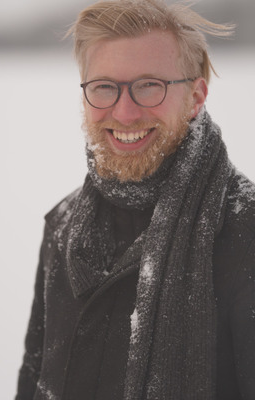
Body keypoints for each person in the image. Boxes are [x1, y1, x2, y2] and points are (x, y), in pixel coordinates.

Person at [15, 1, 255, 399]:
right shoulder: (63, 226)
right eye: (104, 87)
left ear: (195, 96)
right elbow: (33, 379)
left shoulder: (245, 234)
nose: (125, 113)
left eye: (149, 86)